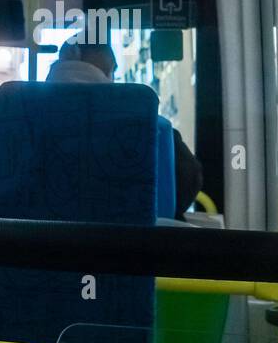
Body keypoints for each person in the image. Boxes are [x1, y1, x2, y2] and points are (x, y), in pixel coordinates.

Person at [46, 40, 203, 219]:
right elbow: (186, 179)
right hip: (130, 242)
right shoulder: (150, 126)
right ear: (109, 70)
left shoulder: (20, 115)